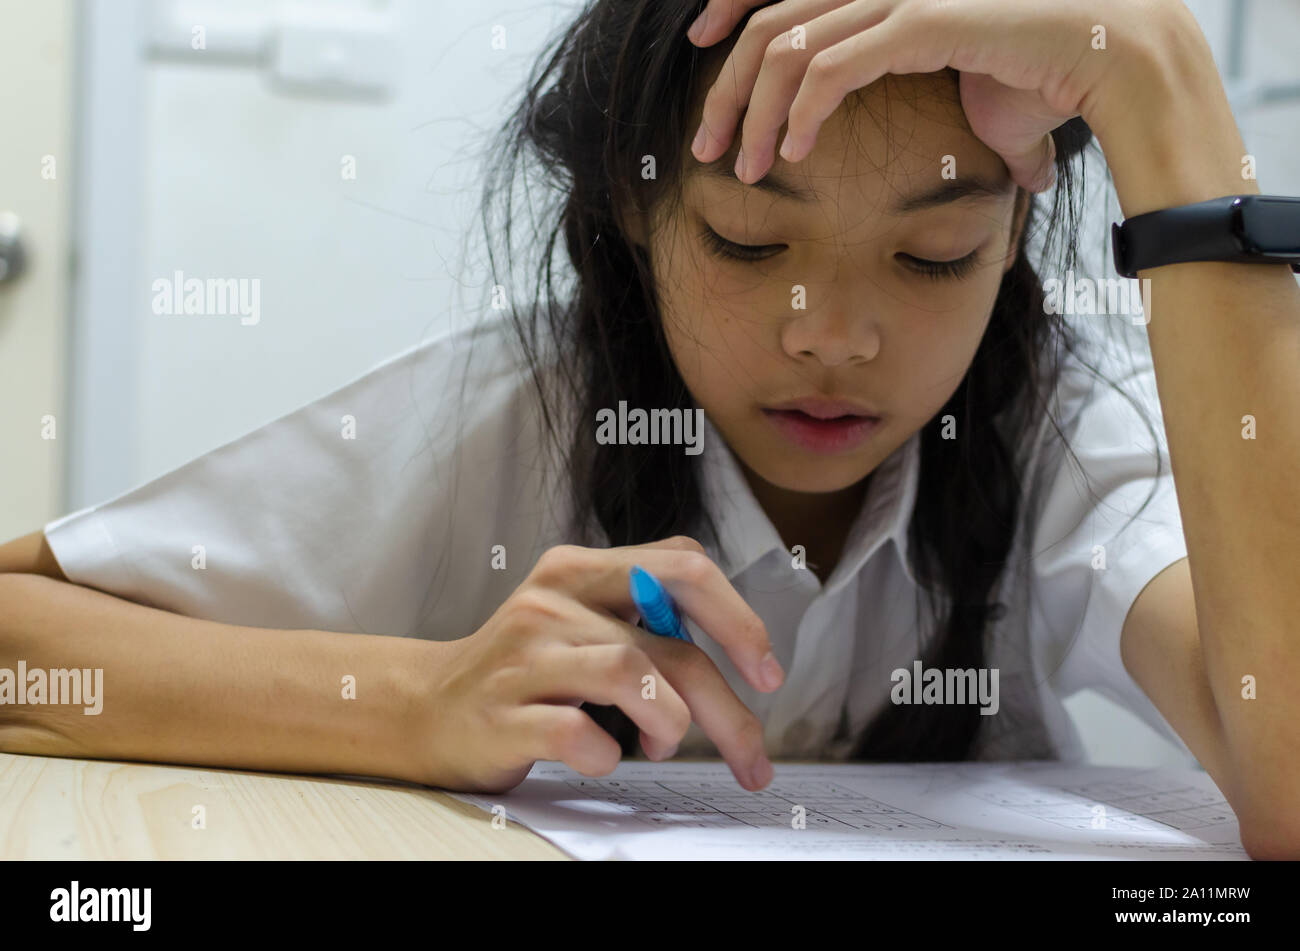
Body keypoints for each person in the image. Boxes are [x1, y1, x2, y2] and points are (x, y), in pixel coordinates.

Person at [2, 0, 1297, 859]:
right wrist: (415, 703)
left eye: (935, 254)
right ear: (633, 220)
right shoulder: (518, 409)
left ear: (1015, 241)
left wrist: (1165, 86)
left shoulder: (1074, 424)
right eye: (749, 239)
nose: (830, 333)